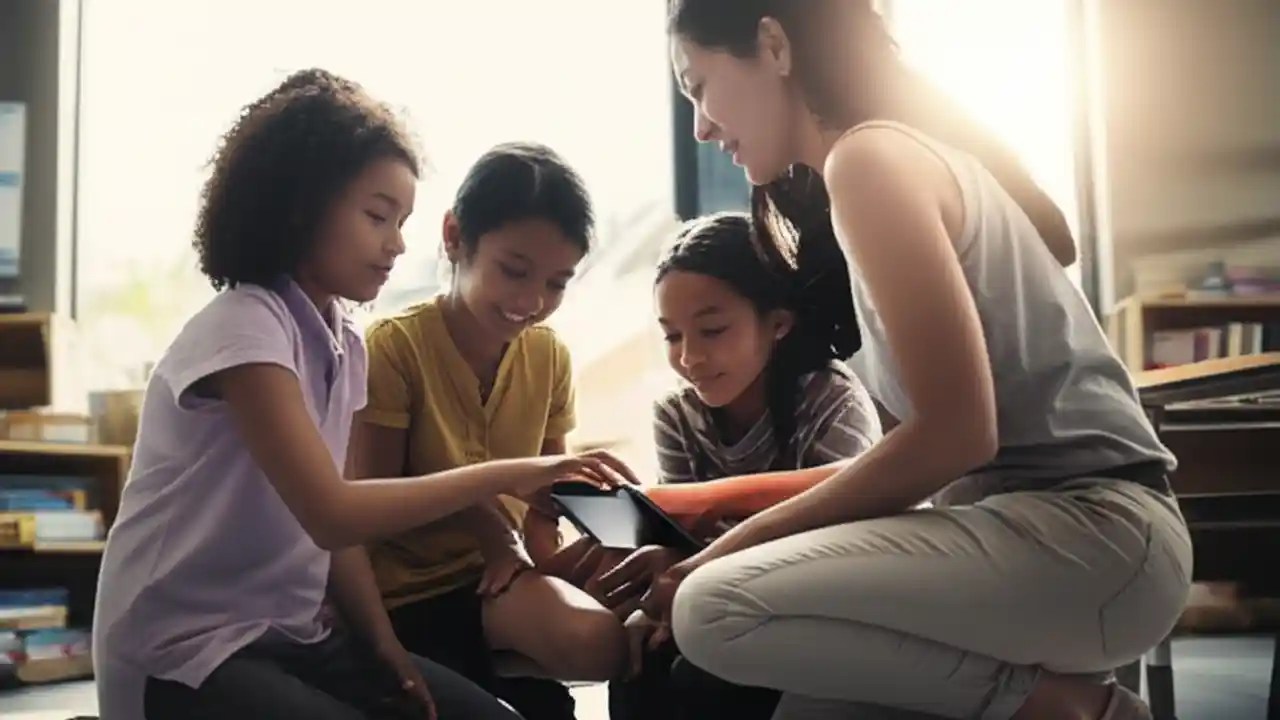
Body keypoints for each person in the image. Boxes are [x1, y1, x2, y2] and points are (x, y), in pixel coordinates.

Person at [641, 3, 1193, 720]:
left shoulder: (872, 161)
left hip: (1094, 538)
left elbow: (958, 436)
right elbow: (915, 463)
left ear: (773, 46)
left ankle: (1068, 709)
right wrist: (712, 510)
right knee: (809, 706)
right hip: (1031, 541)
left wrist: (716, 557)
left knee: (714, 609)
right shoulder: (865, 179)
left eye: (698, 86)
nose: (701, 127)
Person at [92, 69, 634, 720]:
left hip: (299, 635)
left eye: (401, 220)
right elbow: (334, 513)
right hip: (185, 648)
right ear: (300, 206)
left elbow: (333, 543)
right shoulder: (242, 329)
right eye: (377, 215)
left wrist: (384, 649)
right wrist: (520, 475)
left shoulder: (342, 340)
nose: (397, 243)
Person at [351, 142, 627, 720]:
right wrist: (490, 528)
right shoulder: (394, 348)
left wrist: (608, 528)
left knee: (605, 638)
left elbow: (546, 501)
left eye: (557, 282)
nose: (532, 302)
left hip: (498, 580)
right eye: (514, 271)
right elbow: (368, 503)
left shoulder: (548, 357)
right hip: (403, 586)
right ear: (455, 237)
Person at [600, 212, 881, 720]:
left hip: (818, 602)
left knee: (701, 677)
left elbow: (840, 541)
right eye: (671, 337)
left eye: (711, 330)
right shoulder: (678, 416)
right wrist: (663, 566)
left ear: (777, 323)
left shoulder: (830, 400)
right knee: (639, 658)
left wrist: (693, 569)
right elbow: (682, 537)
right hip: (714, 595)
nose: (689, 358)